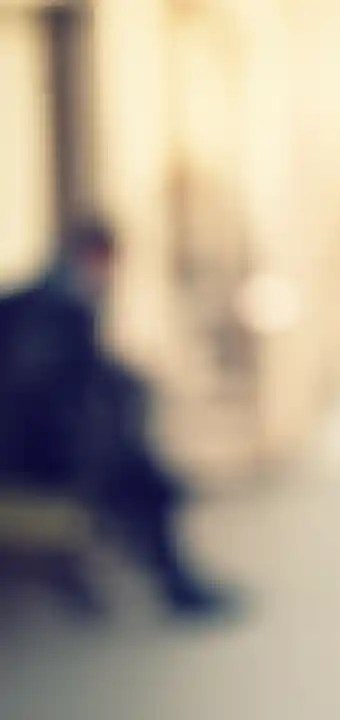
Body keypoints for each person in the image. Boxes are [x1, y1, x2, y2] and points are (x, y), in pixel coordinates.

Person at [0, 219, 234, 617]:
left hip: (32, 450)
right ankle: (178, 587)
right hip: (39, 459)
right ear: (99, 257)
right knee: (144, 484)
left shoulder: (34, 299)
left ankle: (176, 583)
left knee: (144, 478)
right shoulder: (65, 306)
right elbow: (53, 392)